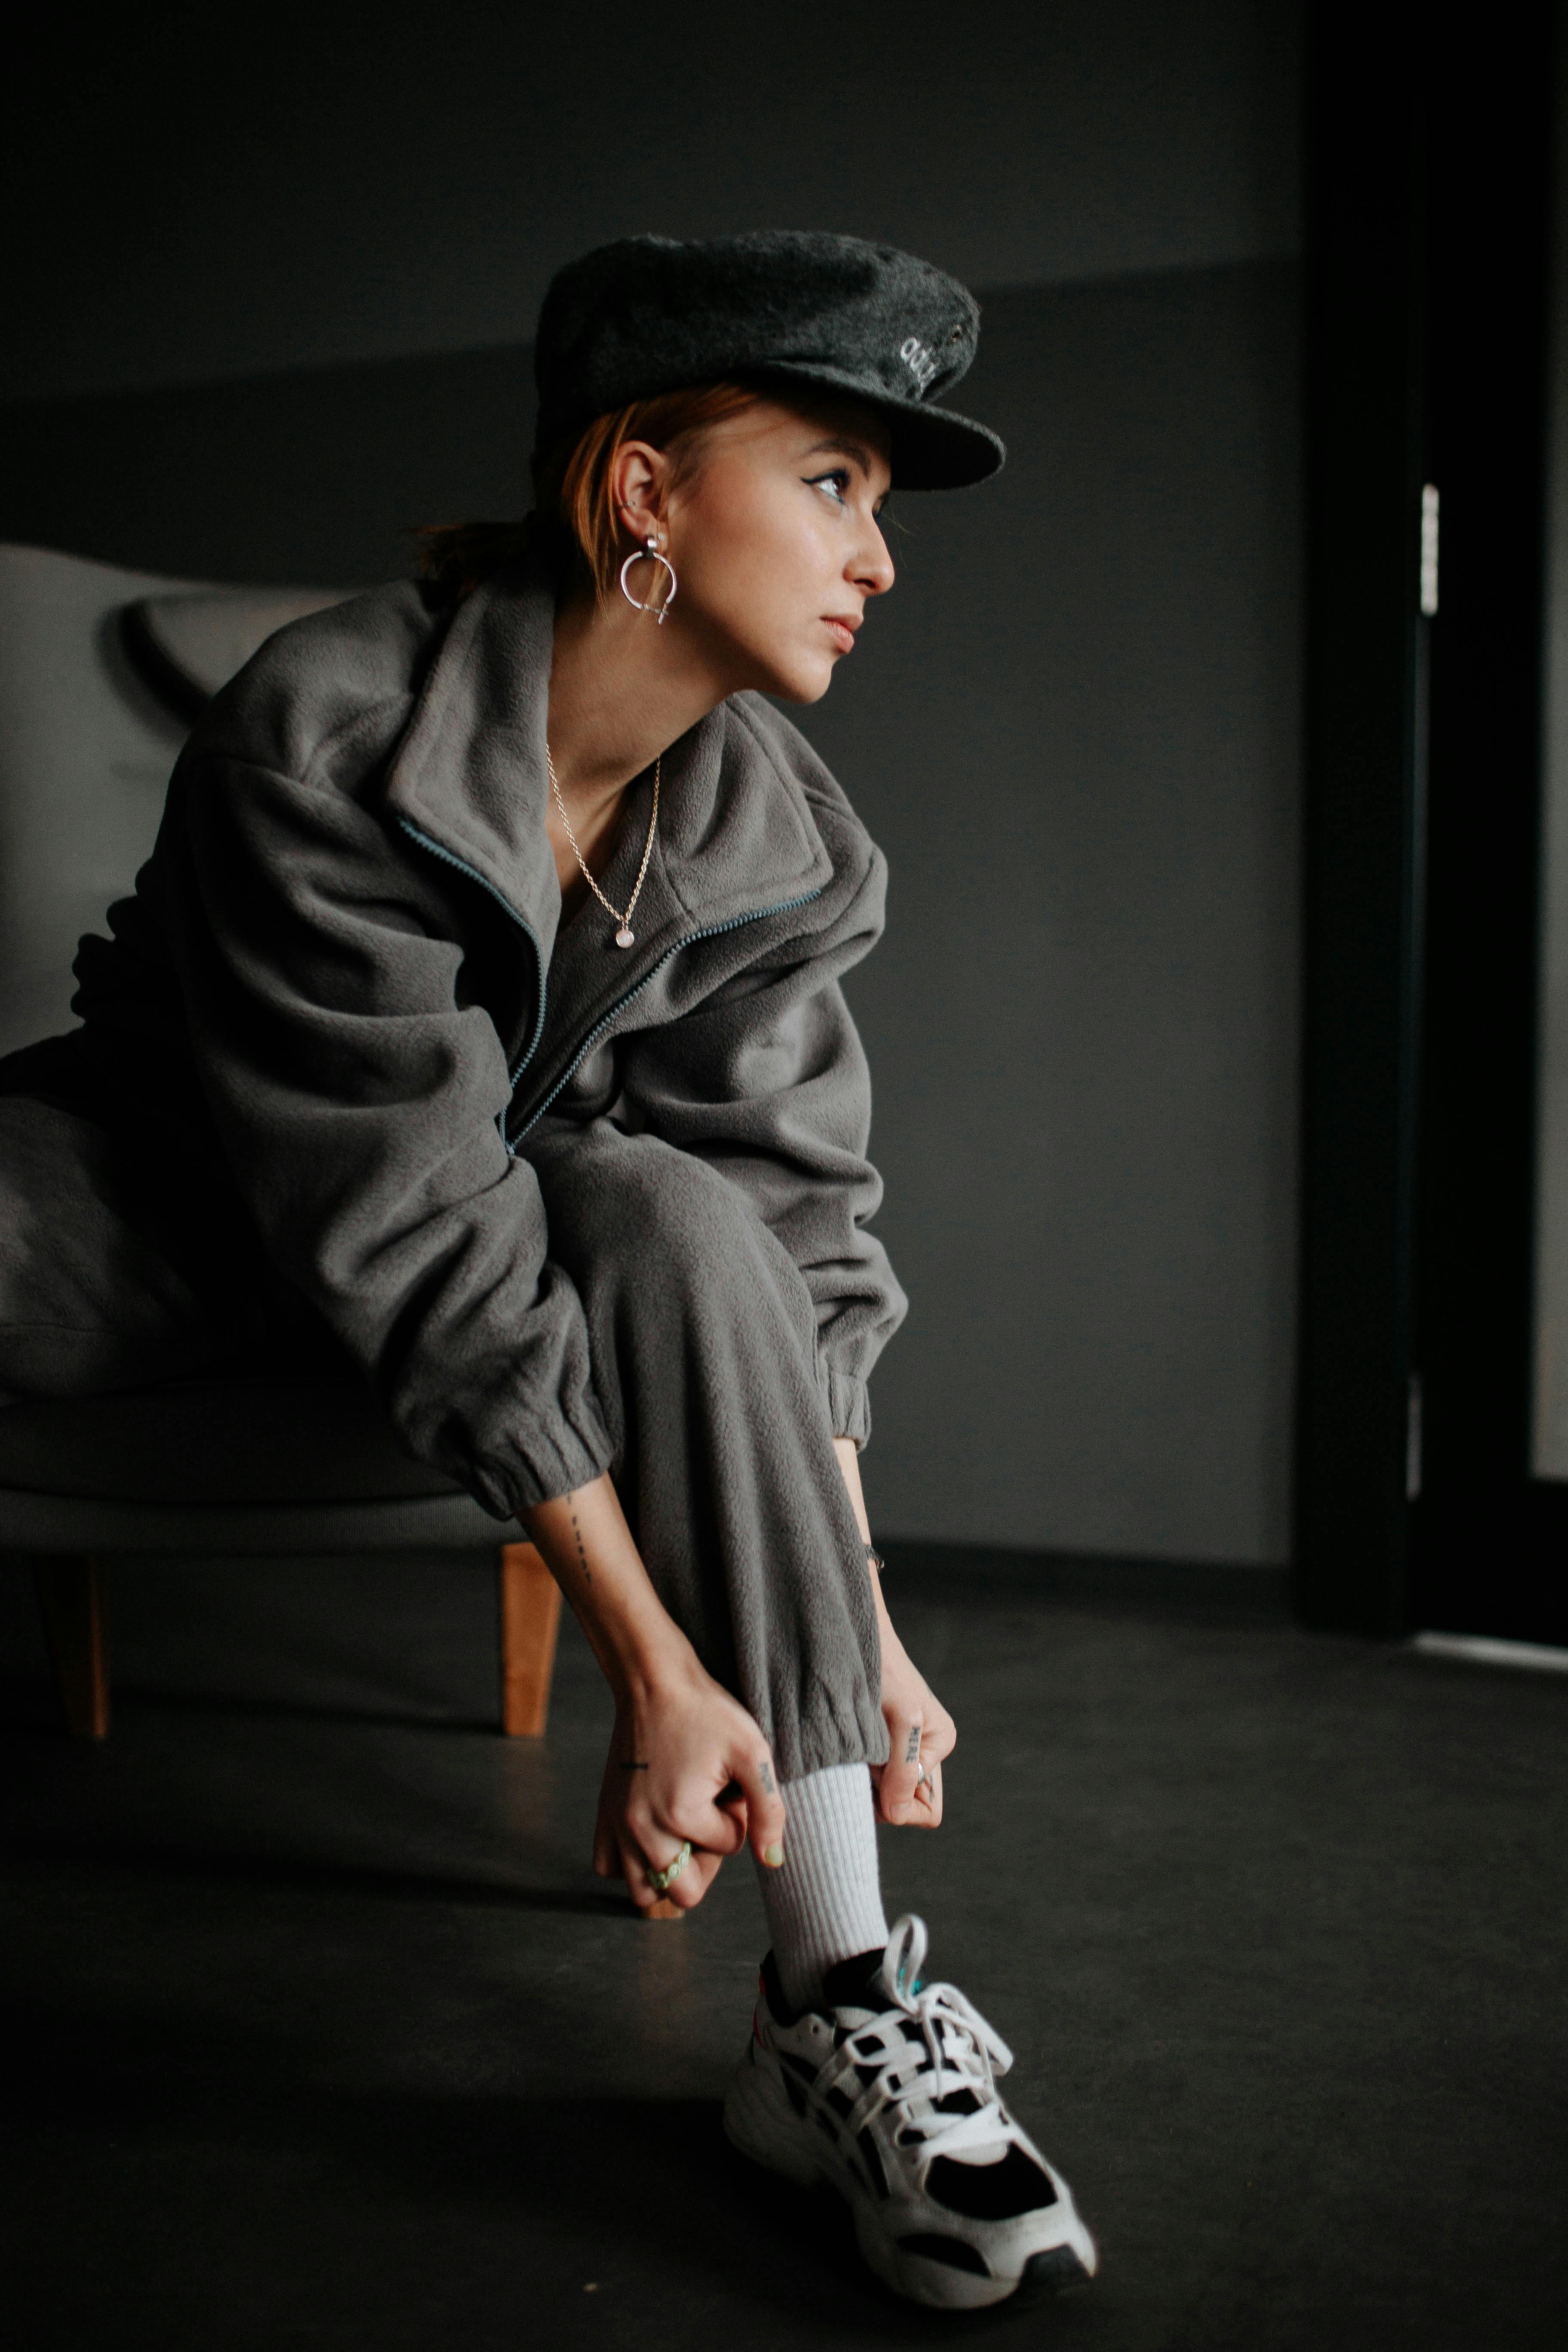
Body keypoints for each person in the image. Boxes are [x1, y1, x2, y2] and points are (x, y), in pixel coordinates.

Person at [0, 231, 1097, 2310]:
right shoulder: (333, 722)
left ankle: (840, 2003)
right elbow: (397, 1214)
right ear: (643, 494)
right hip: (166, 1205)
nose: (881, 557)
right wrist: (646, 1662)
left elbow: (793, 1243)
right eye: (833, 484)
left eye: (884, 503)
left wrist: (847, 1628)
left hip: (464, 1247)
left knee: (681, 1211)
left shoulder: (783, 831)